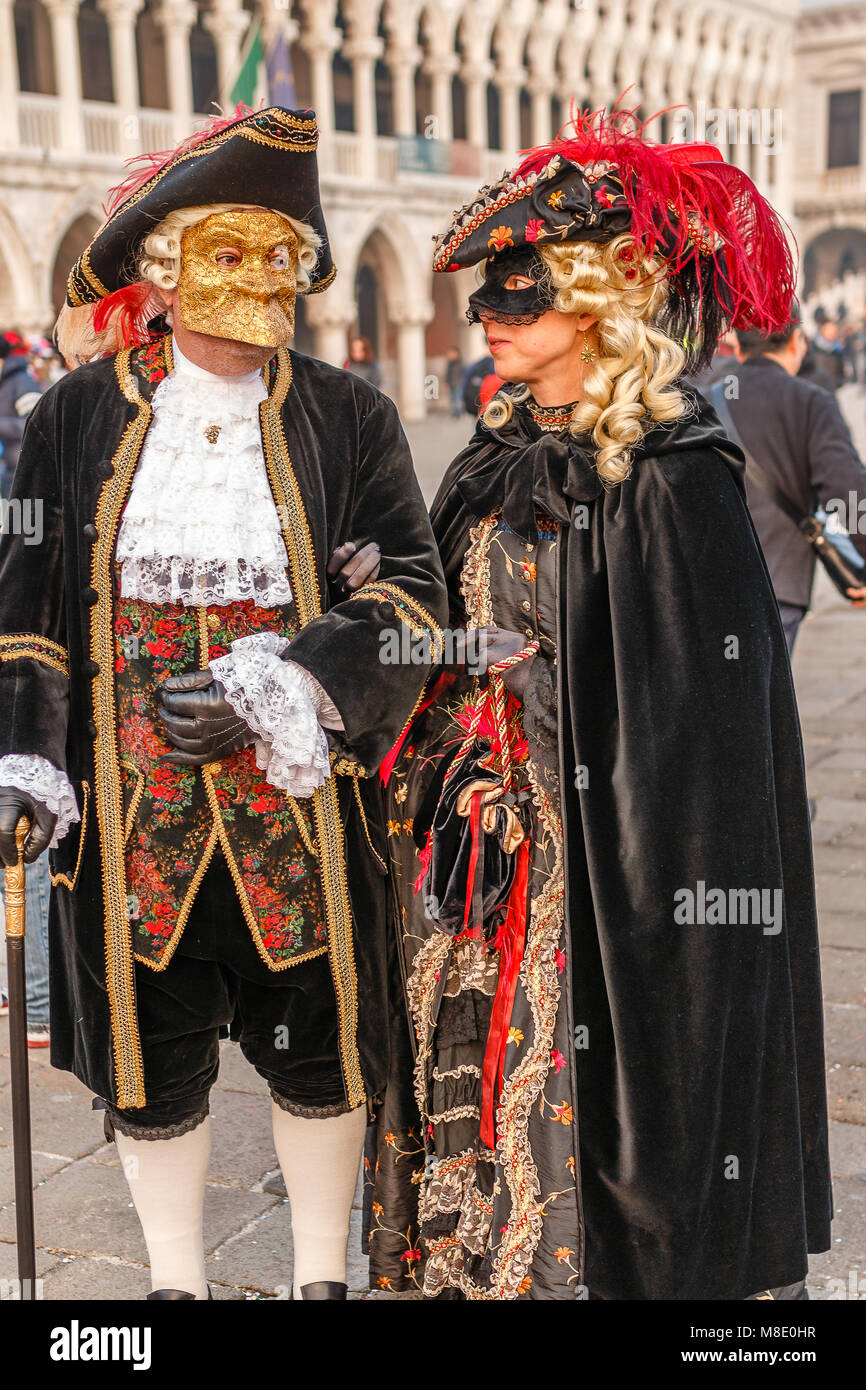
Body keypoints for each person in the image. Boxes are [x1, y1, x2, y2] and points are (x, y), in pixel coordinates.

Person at [372, 109, 832, 1301]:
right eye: (485, 299)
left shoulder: (673, 476)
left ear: (598, 304)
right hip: (474, 849)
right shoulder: (489, 453)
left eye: (517, 297)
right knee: (461, 1072)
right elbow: (430, 624)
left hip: (603, 872)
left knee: (603, 1097)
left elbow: (701, 745)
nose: (487, 320)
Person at [0, 104, 446, 1301]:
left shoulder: (348, 416)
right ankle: (174, 1287)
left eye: (280, 257)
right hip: (132, 828)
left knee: (320, 1053)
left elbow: (411, 596)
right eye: (228, 252)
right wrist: (23, 762)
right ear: (164, 266)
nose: (260, 279)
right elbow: (28, 611)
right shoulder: (76, 415)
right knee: (151, 1063)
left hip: (297, 816)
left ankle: (316, 1280)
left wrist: (290, 685)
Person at [711, 317, 866, 654]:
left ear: (738, 346)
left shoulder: (707, 399)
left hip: (706, 576)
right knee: (766, 699)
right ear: (798, 342)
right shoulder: (811, 400)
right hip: (779, 578)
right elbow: (847, 492)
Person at [0, 332, 42, 499]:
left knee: (26, 524)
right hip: (11, 471)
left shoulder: (22, 381)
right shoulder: (6, 382)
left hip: (26, 474)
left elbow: (34, 424)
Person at [444, 346, 464, 417]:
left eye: (452, 353)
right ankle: (455, 414)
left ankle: (458, 414)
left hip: (458, 385)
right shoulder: (450, 364)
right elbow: (447, 374)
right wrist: (446, 382)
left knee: (457, 400)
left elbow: (463, 374)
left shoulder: (461, 363)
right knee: (453, 400)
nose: (450, 355)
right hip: (452, 385)